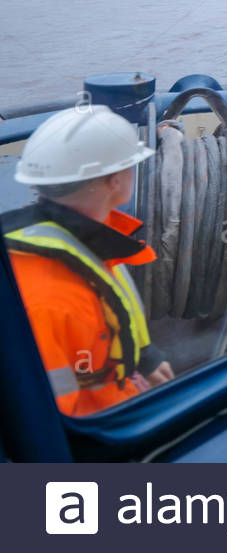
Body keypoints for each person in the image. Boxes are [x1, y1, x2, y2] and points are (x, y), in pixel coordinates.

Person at [3, 105, 172, 415]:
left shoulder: (84, 240)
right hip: (100, 432)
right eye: (130, 165)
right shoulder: (50, 300)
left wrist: (144, 357)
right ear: (114, 181)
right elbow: (44, 423)